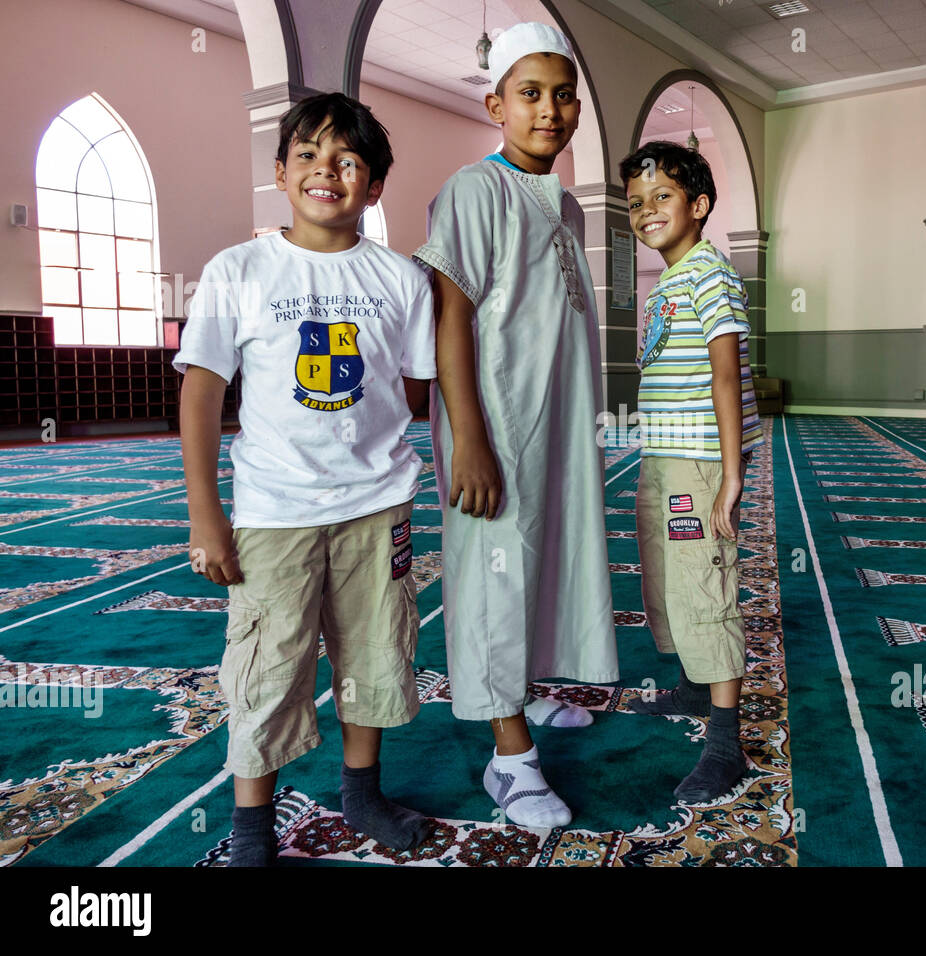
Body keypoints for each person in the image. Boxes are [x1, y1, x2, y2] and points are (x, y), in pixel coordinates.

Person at [176, 92, 436, 865]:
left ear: (375, 186)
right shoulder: (240, 269)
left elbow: (415, 388)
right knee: (265, 666)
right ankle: (253, 828)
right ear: (282, 173)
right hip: (272, 510)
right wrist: (205, 514)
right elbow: (201, 391)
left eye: (349, 159)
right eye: (311, 155)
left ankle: (362, 794)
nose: (329, 170)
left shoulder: (400, 280)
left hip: (376, 507)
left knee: (374, 656)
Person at [412, 22, 618, 828]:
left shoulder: (564, 203)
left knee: (554, 557)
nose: (551, 110)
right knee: (496, 580)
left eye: (564, 95)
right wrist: (468, 437)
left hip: (556, 424)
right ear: (497, 104)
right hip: (494, 426)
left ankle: (532, 691)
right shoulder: (473, 189)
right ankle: (511, 762)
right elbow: (450, 315)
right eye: (530, 94)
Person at [618, 140, 763, 803]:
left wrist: (731, 478)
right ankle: (694, 688)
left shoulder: (710, 271)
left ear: (699, 206)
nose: (647, 211)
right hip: (663, 456)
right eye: (636, 202)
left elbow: (725, 373)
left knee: (706, 583)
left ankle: (726, 743)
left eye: (663, 197)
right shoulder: (669, 281)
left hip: (703, 463)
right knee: (667, 578)